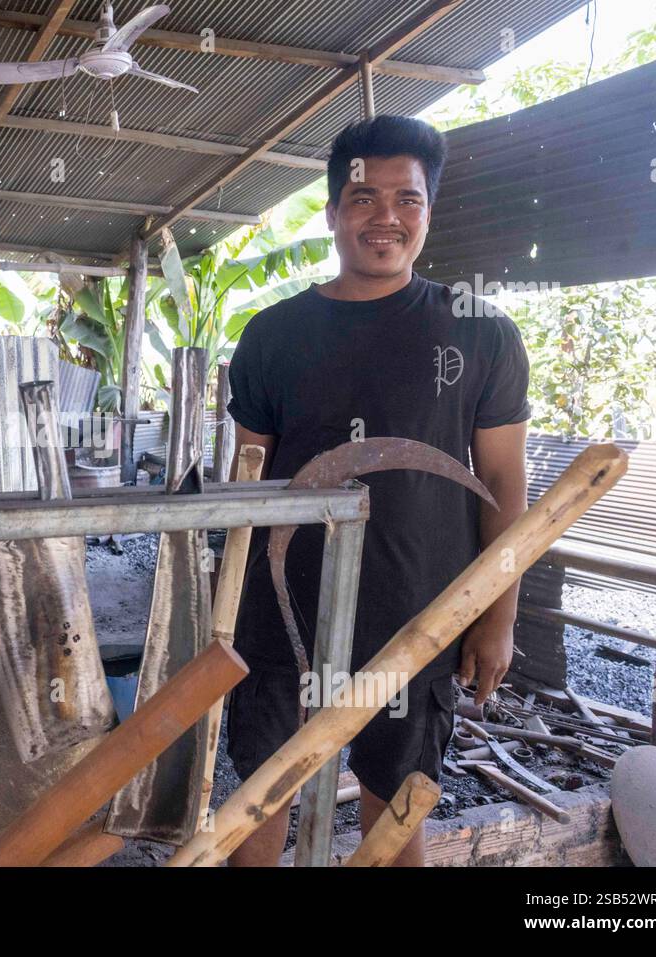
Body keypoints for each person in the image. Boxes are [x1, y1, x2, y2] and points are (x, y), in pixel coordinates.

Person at [224, 114, 530, 866]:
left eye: (407, 198)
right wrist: (224, 608)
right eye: (363, 198)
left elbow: (501, 479)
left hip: (419, 610)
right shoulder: (272, 334)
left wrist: (496, 616)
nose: (385, 215)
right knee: (261, 794)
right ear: (332, 213)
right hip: (281, 609)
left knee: (395, 810)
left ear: (428, 212)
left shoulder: (481, 333)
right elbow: (246, 480)